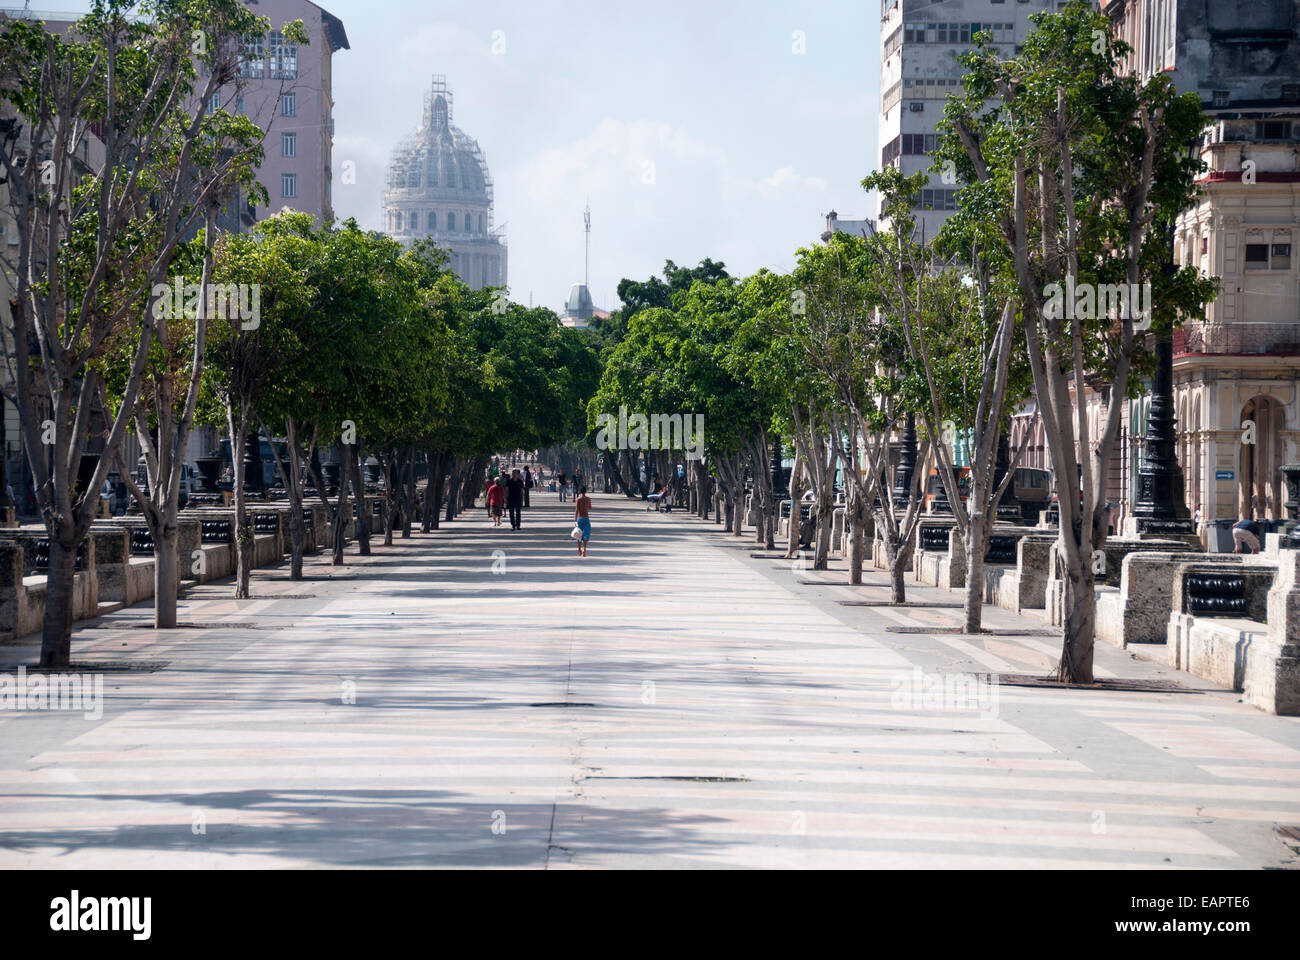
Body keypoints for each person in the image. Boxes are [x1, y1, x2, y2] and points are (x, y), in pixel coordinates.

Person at [574, 484, 591, 557]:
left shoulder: (578, 499)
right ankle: (584, 549)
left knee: (578, 535)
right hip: (586, 518)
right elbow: (590, 507)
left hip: (579, 518)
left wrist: (575, 520)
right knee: (586, 535)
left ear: (580, 491)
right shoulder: (588, 499)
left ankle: (579, 550)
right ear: (585, 491)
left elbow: (577, 510)